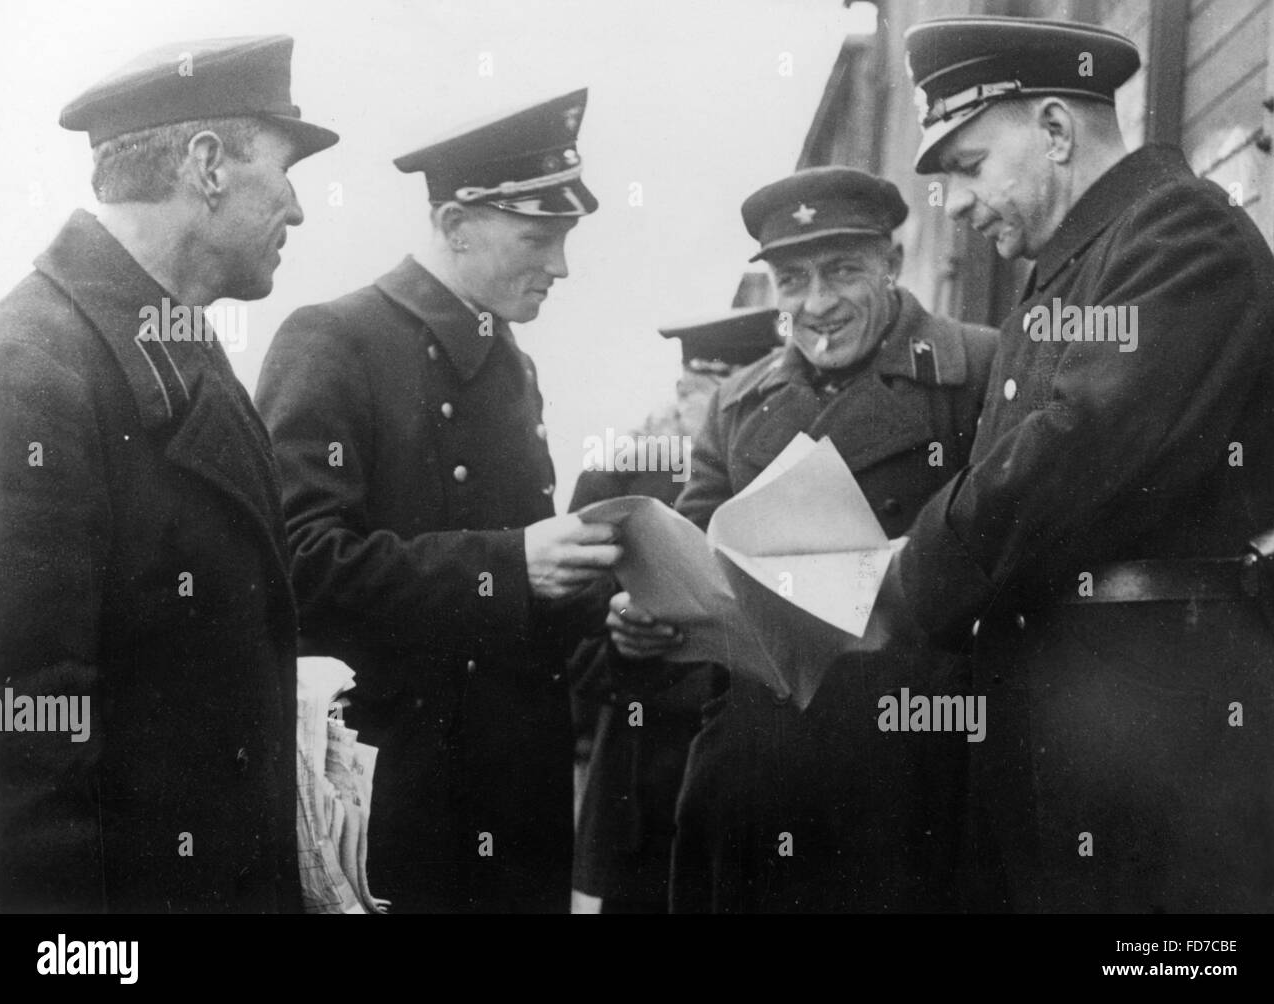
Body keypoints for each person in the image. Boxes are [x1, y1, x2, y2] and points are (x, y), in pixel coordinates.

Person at [888, 14, 1274, 911]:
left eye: (968, 164)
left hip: (1166, 759)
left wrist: (904, 575)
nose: (951, 202)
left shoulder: (1184, 238)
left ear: (1058, 131)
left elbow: (1071, 458)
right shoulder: (1076, 268)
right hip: (1074, 748)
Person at [0, 35, 337, 912]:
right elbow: (20, 742)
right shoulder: (29, 371)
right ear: (208, 164)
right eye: (285, 169)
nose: (297, 210)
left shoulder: (178, 344)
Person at [256, 89, 620, 913]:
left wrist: (608, 590)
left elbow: (524, 599)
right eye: (538, 238)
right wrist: (514, 563)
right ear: (457, 226)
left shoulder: (512, 363)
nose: (560, 266)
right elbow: (295, 563)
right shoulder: (335, 340)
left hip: (515, 790)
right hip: (399, 795)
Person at [608, 166, 998, 912]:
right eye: (792, 281)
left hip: (920, 773)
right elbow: (694, 562)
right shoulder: (738, 402)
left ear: (891, 261)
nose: (816, 305)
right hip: (759, 769)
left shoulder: (974, 370)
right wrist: (645, 622)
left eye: (842, 271)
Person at [570, 306, 780, 913]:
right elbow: (574, 652)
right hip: (646, 787)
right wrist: (621, 633)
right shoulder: (618, 481)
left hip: (760, 782)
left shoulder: (785, 478)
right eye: (703, 389)